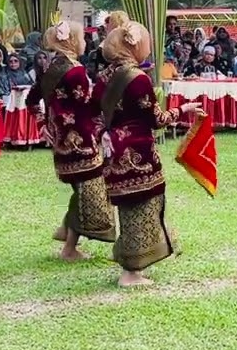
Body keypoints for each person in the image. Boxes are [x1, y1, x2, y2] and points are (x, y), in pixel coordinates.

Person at [93, 21, 202, 286]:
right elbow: (156, 119)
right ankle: (131, 272)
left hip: (113, 150)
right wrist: (183, 110)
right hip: (137, 152)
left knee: (127, 206)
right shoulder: (137, 78)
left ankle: (129, 260)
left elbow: (96, 112)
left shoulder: (104, 76)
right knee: (142, 205)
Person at [30, 20, 117, 261]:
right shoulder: (76, 71)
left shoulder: (52, 67)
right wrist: (103, 84)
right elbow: (87, 107)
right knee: (90, 193)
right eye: (80, 38)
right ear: (70, 41)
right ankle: (69, 247)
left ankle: (66, 232)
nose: (83, 42)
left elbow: (31, 98)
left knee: (80, 190)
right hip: (82, 141)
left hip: (62, 143)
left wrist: (41, 123)